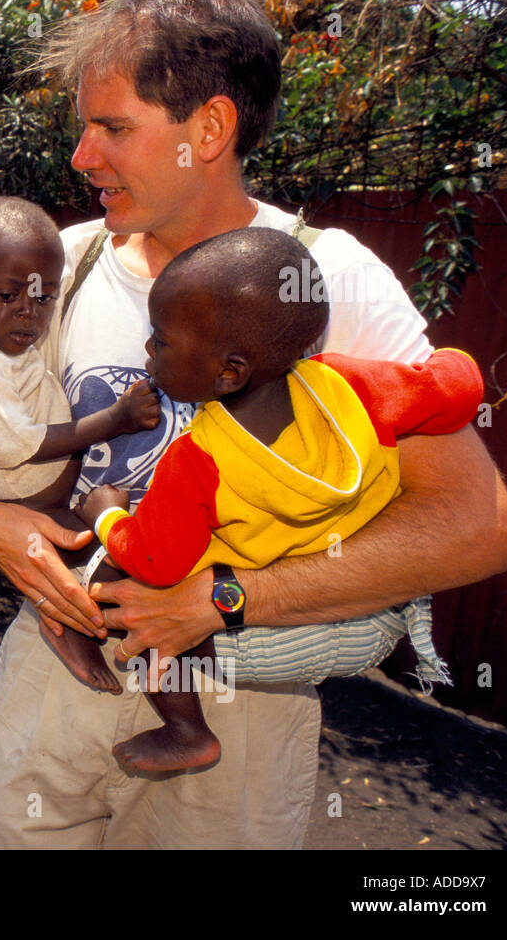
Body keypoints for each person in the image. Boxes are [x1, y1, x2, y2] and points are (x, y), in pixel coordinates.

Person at [0, 0, 507, 849]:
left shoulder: (321, 279)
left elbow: (476, 528)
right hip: (53, 666)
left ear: (208, 130)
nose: (79, 155)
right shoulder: (57, 262)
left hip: (239, 705)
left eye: (113, 127)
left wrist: (221, 599)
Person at [72, 227, 483, 772]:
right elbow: (452, 389)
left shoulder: (199, 458)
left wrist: (108, 516)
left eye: (162, 341)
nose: (149, 349)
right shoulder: (344, 383)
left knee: (124, 594)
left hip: (240, 619)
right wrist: (457, 365)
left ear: (229, 372)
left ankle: (186, 729)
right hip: (338, 591)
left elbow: (156, 558)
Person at [0, 196, 160, 690]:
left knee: (100, 558)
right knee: (97, 573)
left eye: (44, 298)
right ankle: (75, 634)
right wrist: (115, 419)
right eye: (9, 296)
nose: (29, 314)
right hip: (26, 491)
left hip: (43, 484)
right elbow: (23, 447)